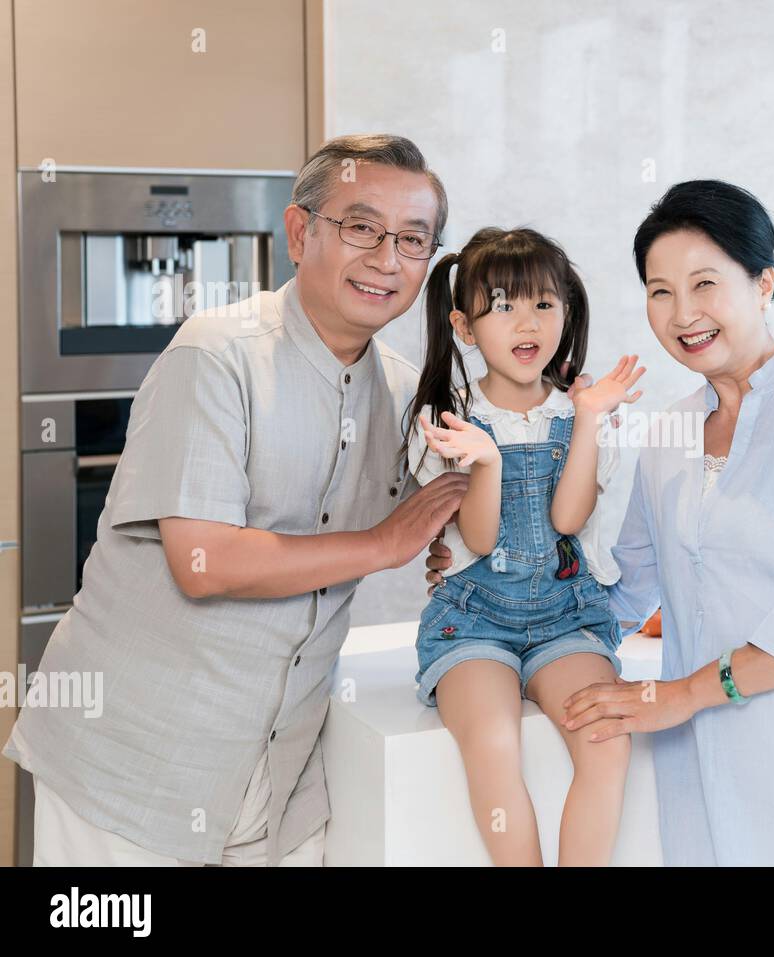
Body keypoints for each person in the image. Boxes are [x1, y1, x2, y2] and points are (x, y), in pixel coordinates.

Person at [438, 179, 774, 866]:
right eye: (660, 290)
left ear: (764, 282)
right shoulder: (675, 428)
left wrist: (683, 694)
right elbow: (627, 591)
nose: (683, 313)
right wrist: (500, 606)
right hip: (722, 776)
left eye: (705, 283)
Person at [3, 134, 470, 866]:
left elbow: (471, 514)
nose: (388, 258)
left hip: (278, 775)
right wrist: (385, 543)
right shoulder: (217, 355)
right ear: (298, 232)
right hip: (133, 770)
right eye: (362, 227)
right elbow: (205, 560)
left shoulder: (406, 390)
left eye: (413, 239)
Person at [408, 226, 644, 865]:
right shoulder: (447, 419)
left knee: (606, 738)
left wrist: (590, 419)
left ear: (566, 312)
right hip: (474, 622)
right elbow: (479, 540)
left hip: (566, 619)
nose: (527, 322)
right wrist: (486, 461)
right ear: (463, 325)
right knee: (493, 742)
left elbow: (568, 519)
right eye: (503, 305)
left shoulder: (579, 410)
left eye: (544, 303)